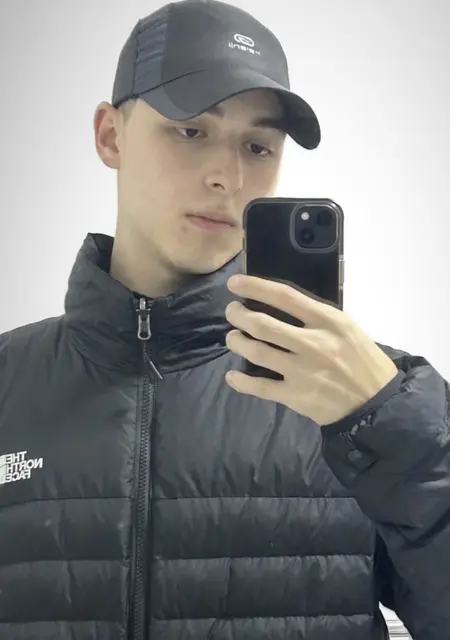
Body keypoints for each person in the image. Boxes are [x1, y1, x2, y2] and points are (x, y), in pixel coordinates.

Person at [0, 1, 448, 638]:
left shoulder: (363, 401)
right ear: (110, 136)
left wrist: (397, 432)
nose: (227, 177)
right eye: (190, 131)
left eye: (258, 146)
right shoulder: (7, 382)